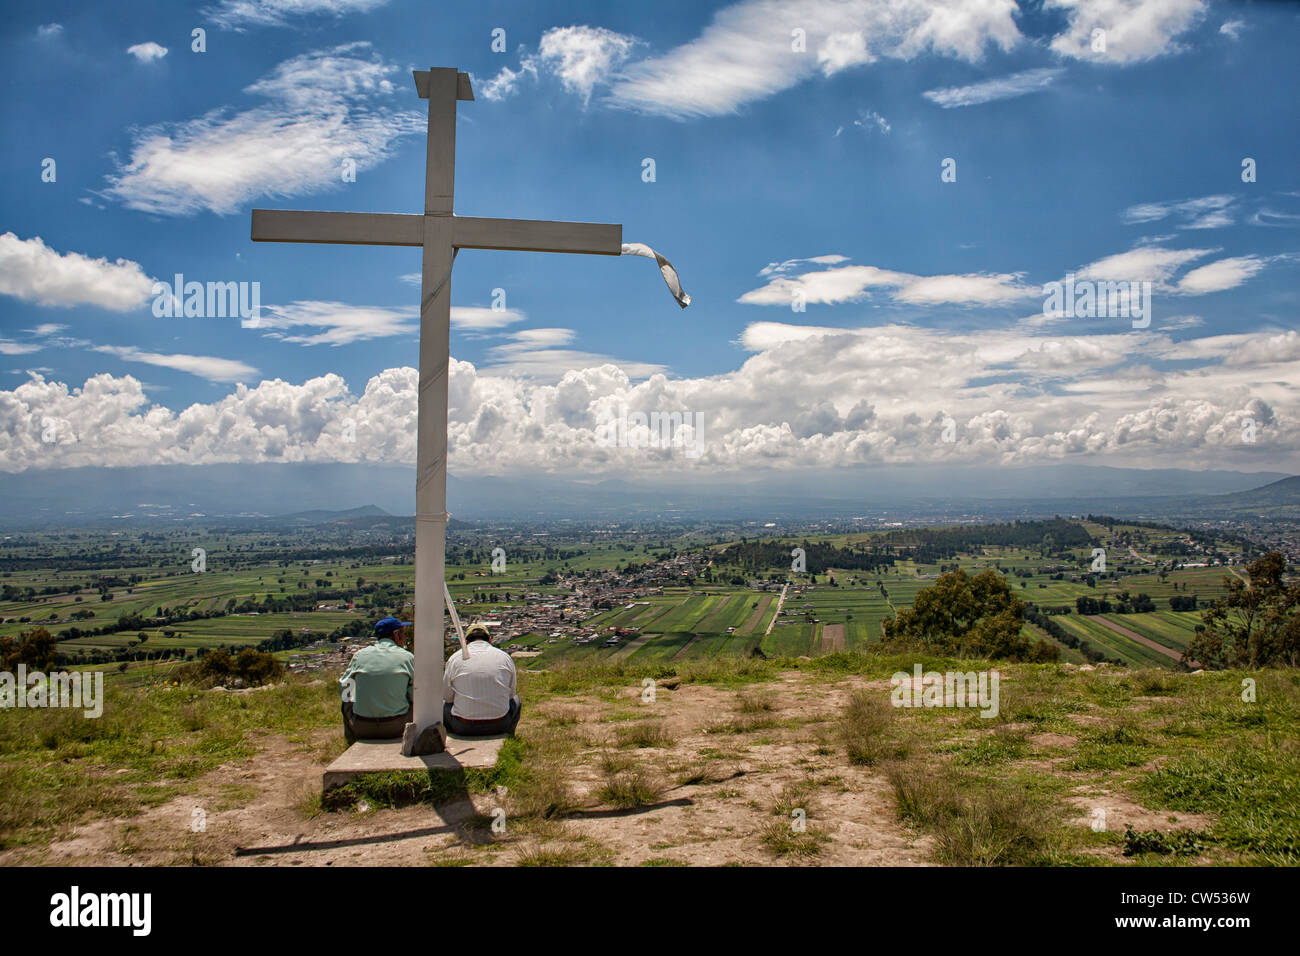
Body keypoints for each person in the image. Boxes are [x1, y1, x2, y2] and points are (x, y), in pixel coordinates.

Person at [338, 616, 415, 744]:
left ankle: (351, 741)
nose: (405, 637)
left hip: (362, 727)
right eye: (403, 633)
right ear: (396, 635)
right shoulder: (407, 657)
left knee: (345, 703)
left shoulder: (360, 656)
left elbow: (344, 688)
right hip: (397, 727)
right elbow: (416, 693)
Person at [442, 623, 521, 736]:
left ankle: (449, 736)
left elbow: (447, 697)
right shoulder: (504, 657)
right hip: (499, 724)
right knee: (517, 701)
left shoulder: (455, 658)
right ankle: (509, 734)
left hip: (463, 726)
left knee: (443, 705)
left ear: (467, 641)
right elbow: (511, 694)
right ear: (489, 639)